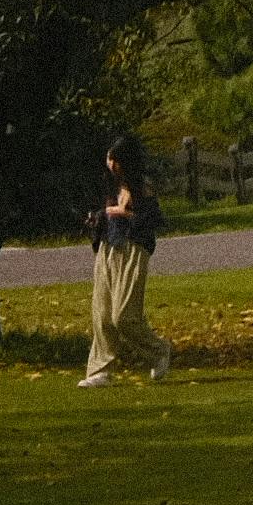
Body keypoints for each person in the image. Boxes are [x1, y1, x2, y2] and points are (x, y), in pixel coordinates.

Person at [78, 143, 171, 389]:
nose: (111, 165)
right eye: (109, 159)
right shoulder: (109, 186)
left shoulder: (143, 189)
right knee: (102, 312)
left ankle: (159, 351)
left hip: (133, 249)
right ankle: (100, 370)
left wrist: (123, 213)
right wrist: (99, 217)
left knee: (124, 316)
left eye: (116, 160)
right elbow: (105, 213)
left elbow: (152, 220)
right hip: (108, 247)